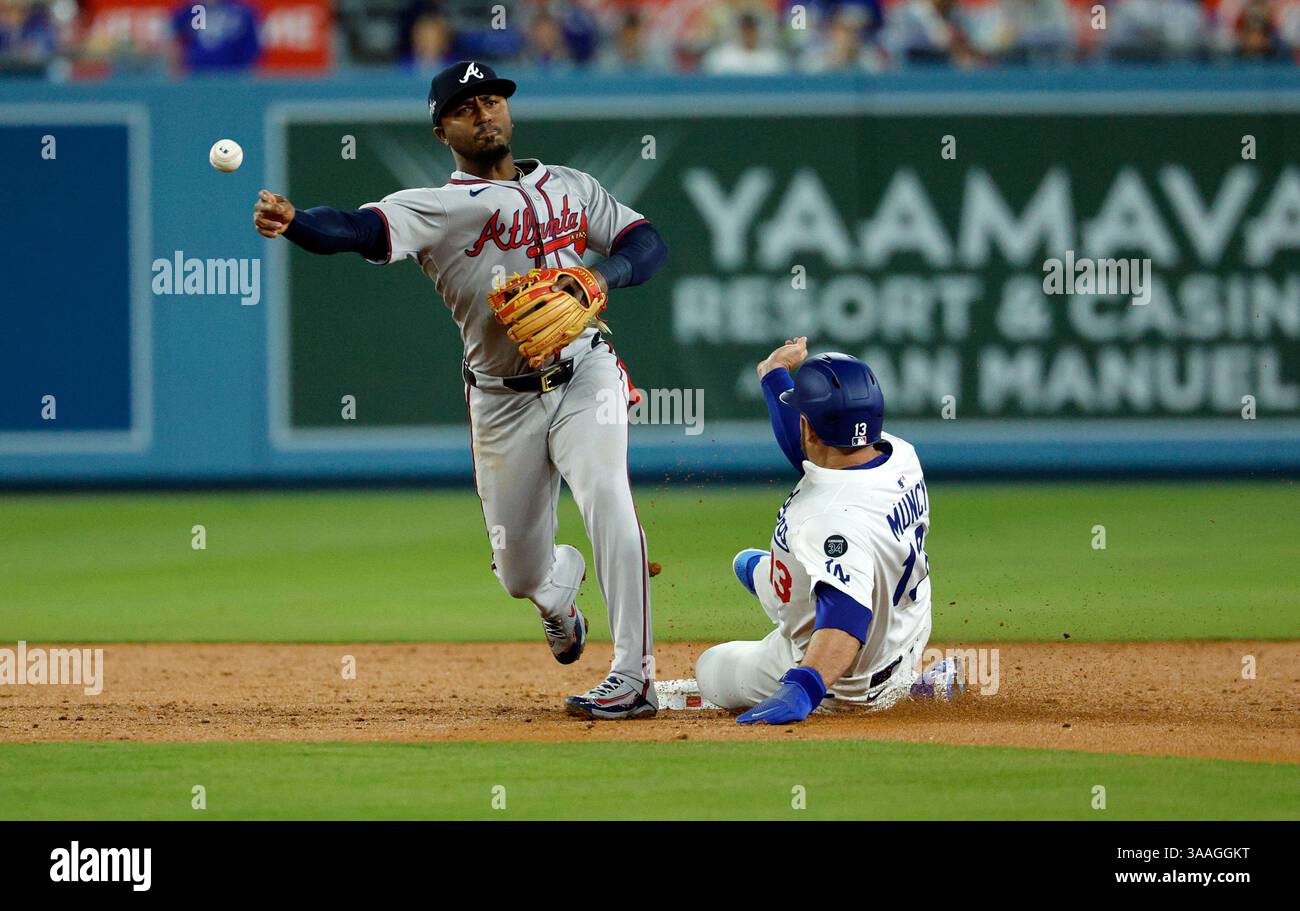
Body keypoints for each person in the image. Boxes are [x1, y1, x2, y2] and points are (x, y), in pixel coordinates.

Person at [251, 61, 669, 720]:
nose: (484, 111)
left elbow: (645, 241)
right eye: (465, 105)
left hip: (586, 370)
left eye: (492, 98)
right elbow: (356, 230)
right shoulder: (437, 208)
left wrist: (604, 275)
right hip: (501, 400)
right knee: (519, 576)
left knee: (607, 493)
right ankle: (558, 590)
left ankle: (633, 675)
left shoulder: (570, 186)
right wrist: (298, 220)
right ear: (443, 127)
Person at [696, 338, 958, 724]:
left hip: (850, 677)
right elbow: (810, 449)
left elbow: (846, 617)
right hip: (906, 627)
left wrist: (804, 687)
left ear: (811, 429)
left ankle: (911, 691)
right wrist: (772, 374)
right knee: (757, 565)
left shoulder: (826, 519)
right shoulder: (898, 454)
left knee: (710, 669)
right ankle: (770, 580)